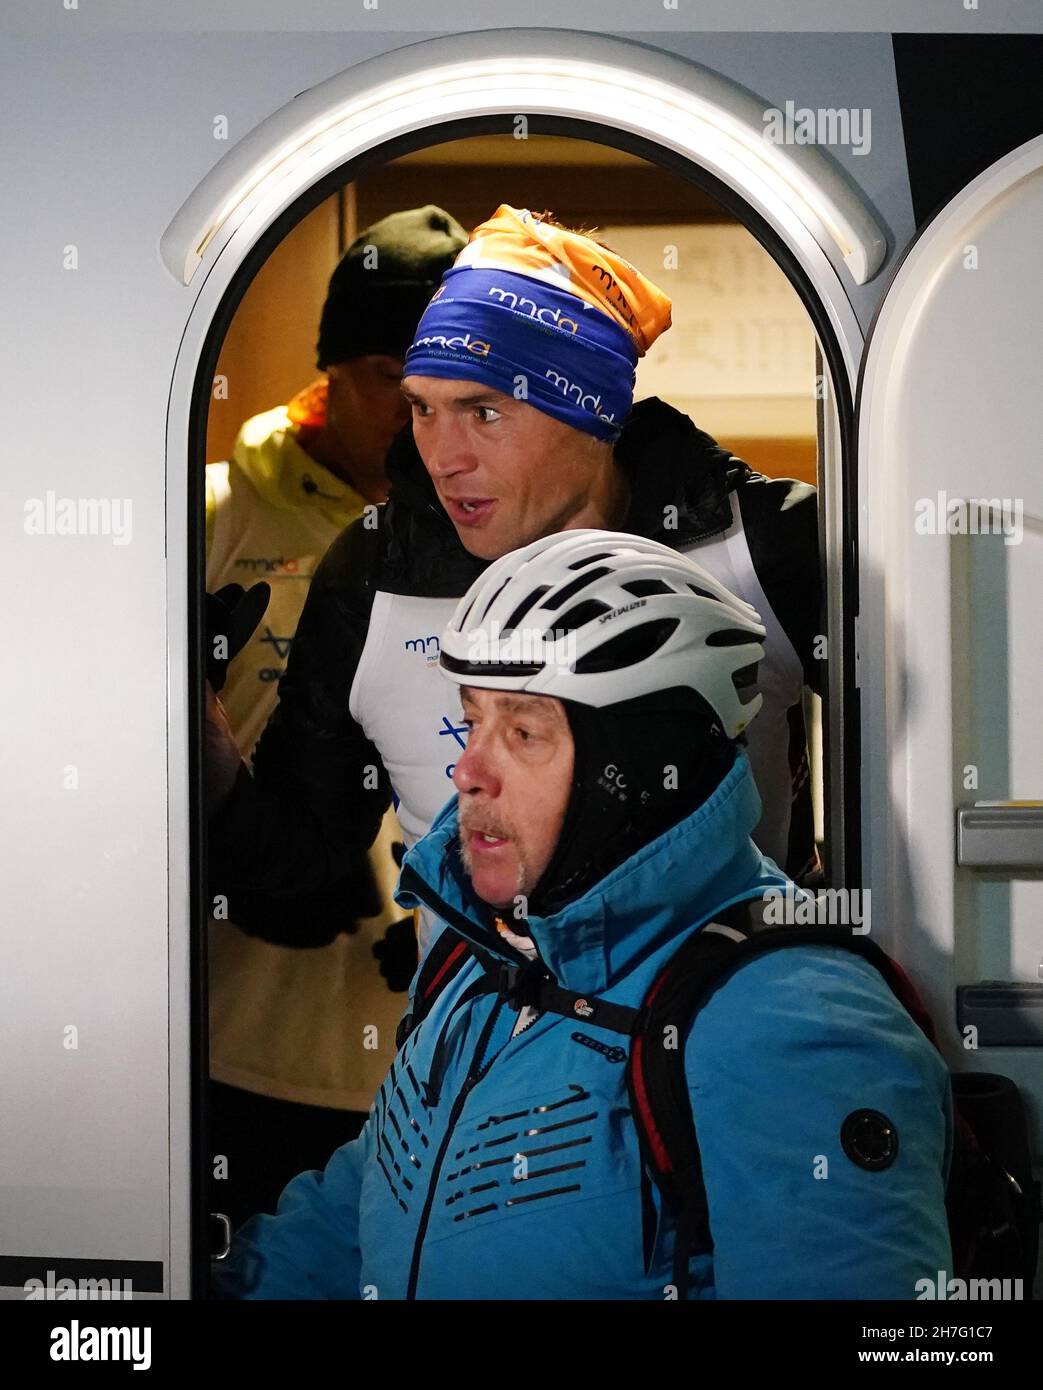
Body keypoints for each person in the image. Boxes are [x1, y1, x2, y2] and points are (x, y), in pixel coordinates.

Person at [211, 531, 952, 1300]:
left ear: (630, 769)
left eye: (524, 733)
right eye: (473, 721)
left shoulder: (789, 1025)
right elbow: (371, 1200)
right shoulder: (480, 953)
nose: (465, 770)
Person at [206, 204, 823, 968]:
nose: (442, 456)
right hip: (486, 1064)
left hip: (724, 1042)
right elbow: (296, 863)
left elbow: (920, 787)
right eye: (422, 408)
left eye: (483, 412)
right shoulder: (372, 570)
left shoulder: (763, 539)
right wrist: (198, 740)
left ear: (591, 413)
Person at [205, 205, 469, 1228]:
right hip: (241, 1036)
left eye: (435, 383)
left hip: (425, 1057)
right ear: (328, 372)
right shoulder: (220, 514)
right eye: (381, 376)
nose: (408, 410)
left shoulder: (478, 529)